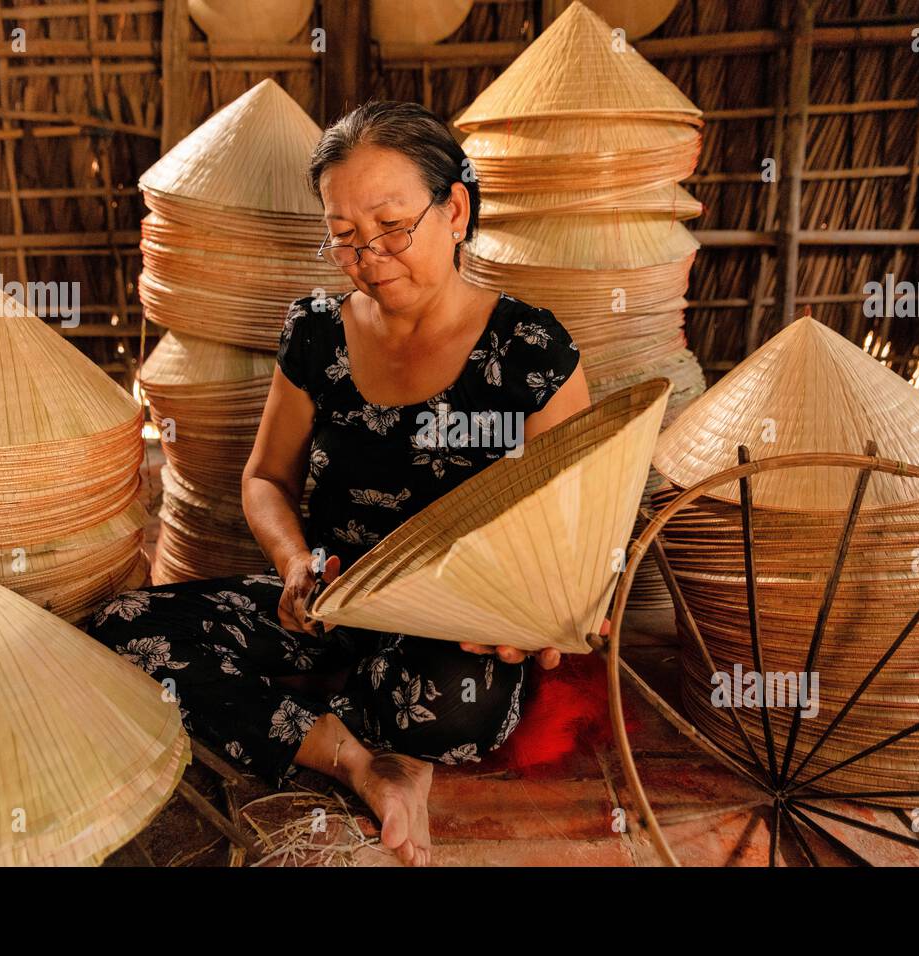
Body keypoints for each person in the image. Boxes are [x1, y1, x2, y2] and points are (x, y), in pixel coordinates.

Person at [83, 100, 590, 866]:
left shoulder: (530, 349)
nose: (368, 256)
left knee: (449, 704)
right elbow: (265, 478)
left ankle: (345, 725)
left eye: (391, 226)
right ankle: (359, 760)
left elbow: (576, 529)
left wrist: (543, 611)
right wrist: (293, 563)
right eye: (345, 237)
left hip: (453, 625)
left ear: (454, 208)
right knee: (117, 630)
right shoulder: (317, 330)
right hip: (330, 598)